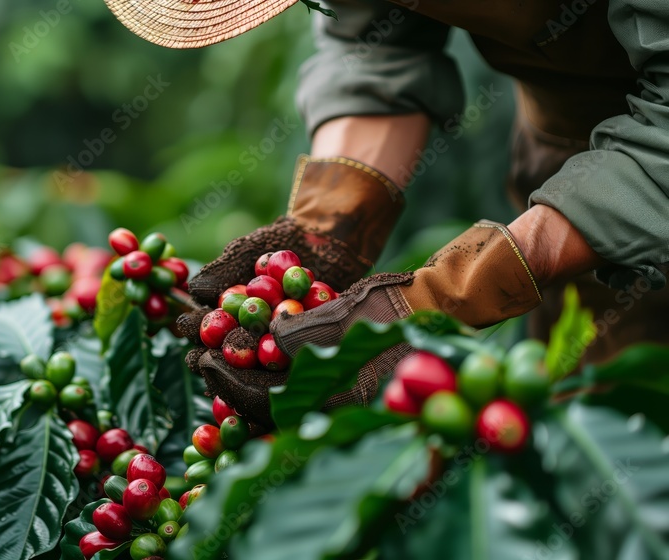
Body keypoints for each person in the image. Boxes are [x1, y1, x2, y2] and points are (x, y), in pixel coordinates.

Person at [102, 0, 669, 427]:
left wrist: (447, 295)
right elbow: (375, 49)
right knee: (602, 424)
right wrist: (333, 222)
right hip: (571, 170)